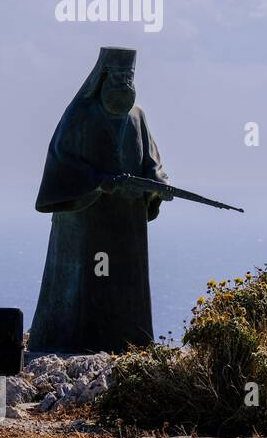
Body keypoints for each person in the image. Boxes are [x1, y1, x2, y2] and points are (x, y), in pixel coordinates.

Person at [28, 47, 170, 354]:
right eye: (117, 77)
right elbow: (61, 163)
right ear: (102, 78)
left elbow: (152, 162)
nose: (123, 83)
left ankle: (129, 345)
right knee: (85, 287)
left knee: (124, 286)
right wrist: (98, 182)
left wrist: (158, 184)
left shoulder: (138, 117)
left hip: (126, 223)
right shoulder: (80, 115)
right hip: (86, 220)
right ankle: (73, 341)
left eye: (127, 77)